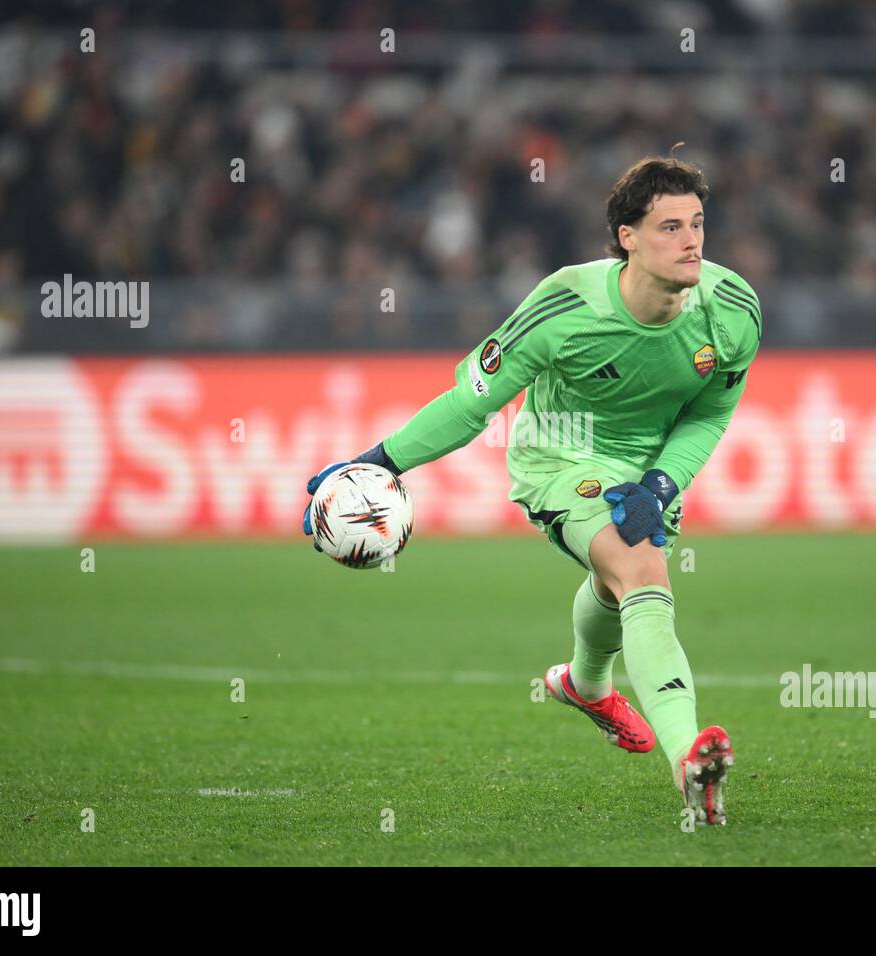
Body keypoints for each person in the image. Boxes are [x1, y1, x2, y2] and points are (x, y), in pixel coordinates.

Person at [304, 145, 762, 826]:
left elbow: (712, 410)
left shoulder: (733, 309)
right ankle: (687, 764)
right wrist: (378, 460)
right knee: (642, 570)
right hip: (562, 458)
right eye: (670, 227)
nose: (691, 241)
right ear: (626, 239)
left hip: (646, 468)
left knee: (619, 582)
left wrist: (663, 482)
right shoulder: (564, 307)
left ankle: (583, 685)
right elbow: (472, 403)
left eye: (697, 223)